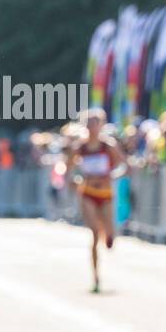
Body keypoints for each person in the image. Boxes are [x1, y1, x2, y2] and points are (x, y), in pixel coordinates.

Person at [70, 109, 126, 293]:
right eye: (89, 123)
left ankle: (108, 233)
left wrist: (109, 176)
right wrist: (76, 179)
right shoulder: (81, 147)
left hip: (105, 194)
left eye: (95, 123)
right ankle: (96, 278)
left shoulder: (107, 145)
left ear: (101, 125)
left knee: (109, 234)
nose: (92, 127)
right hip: (87, 192)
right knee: (94, 233)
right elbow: (68, 168)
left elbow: (122, 165)